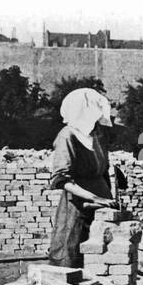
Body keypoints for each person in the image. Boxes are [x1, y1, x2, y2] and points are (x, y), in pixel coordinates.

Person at [47, 88, 117, 267]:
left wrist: (108, 197)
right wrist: (95, 198)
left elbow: (102, 169)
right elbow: (62, 180)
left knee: (103, 259)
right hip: (77, 206)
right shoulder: (67, 136)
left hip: (102, 206)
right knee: (71, 253)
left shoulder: (97, 135)